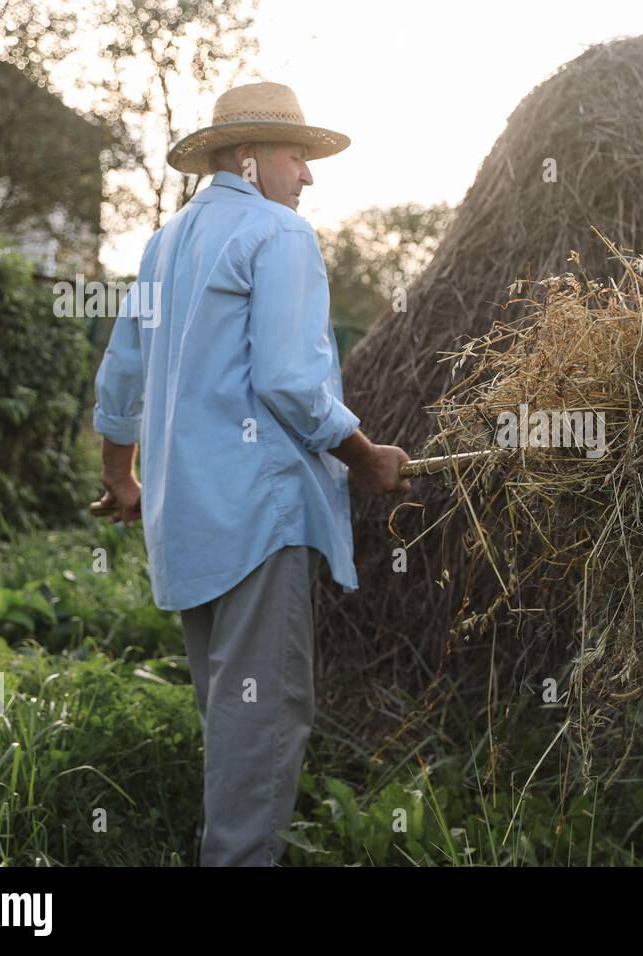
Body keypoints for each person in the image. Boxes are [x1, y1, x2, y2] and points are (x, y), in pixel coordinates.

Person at [91, 81, 409, 866]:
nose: (307, 176)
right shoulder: (278, 236)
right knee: (262, 725)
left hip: (187, 524)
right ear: (248, 158)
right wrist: (366, 457)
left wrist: (123, 477)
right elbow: (291, 385)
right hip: (258, 521)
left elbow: (119, 379)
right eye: (296, 156)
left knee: (230, 721)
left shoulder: (164, 245)